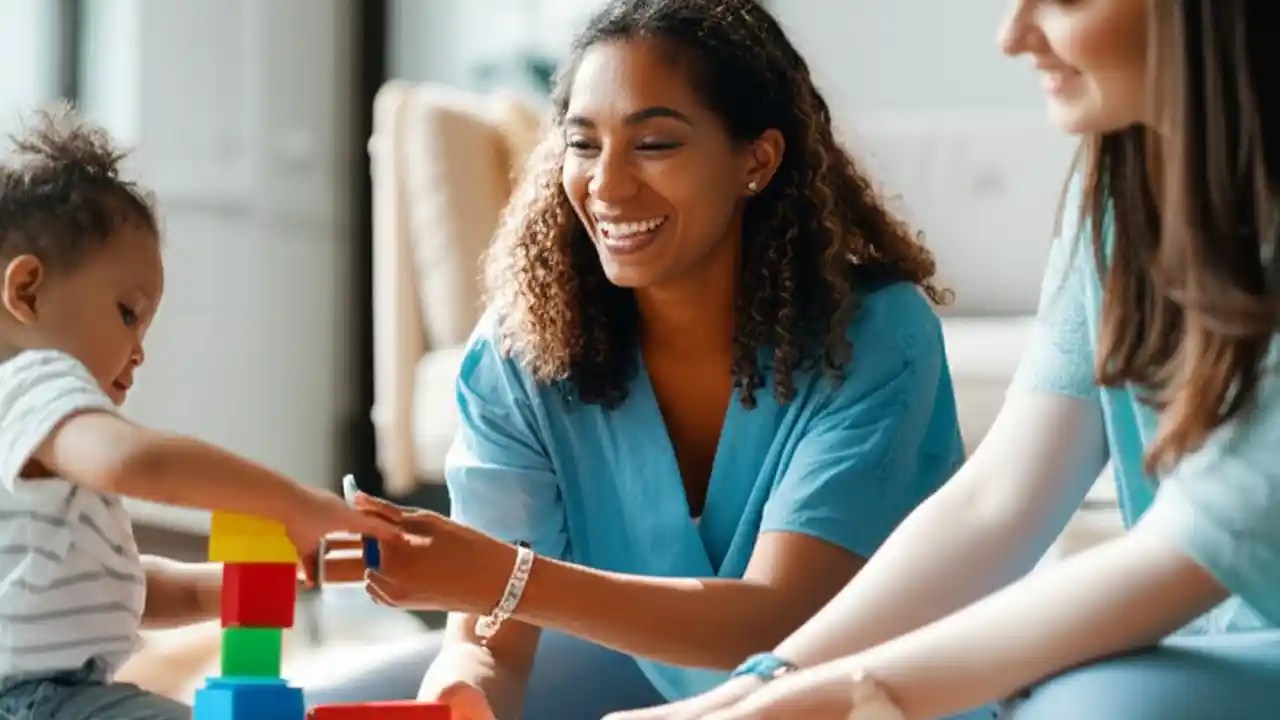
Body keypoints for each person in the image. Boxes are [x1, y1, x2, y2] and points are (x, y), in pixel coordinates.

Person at [606, 0, 1280, 718]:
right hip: (1230, 642)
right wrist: (763, 683)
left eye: (1065, 1)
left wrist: (825, 699)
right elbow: (999, 500)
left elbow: (1186, 552)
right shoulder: (1119, 204)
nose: (1013, 36)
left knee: (1093, 705)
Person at [305, 1, 978, 718]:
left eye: (655, 143)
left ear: (757, 159)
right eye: (584, 144)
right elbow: (489, 645)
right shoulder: (521, 354)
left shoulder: (874, 336)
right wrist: (457, 700)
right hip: (669, 688)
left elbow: (783, 624)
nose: (609, 185)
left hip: (878, 701)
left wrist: (504, 577)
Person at [0, 106, 398, 720]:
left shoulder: (38, 446)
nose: (139, 352)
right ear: (26, 291)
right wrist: (296, 503)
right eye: (127, 313)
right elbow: (140, 462)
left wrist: (251, 588)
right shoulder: (33, 383)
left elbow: (123, 589)